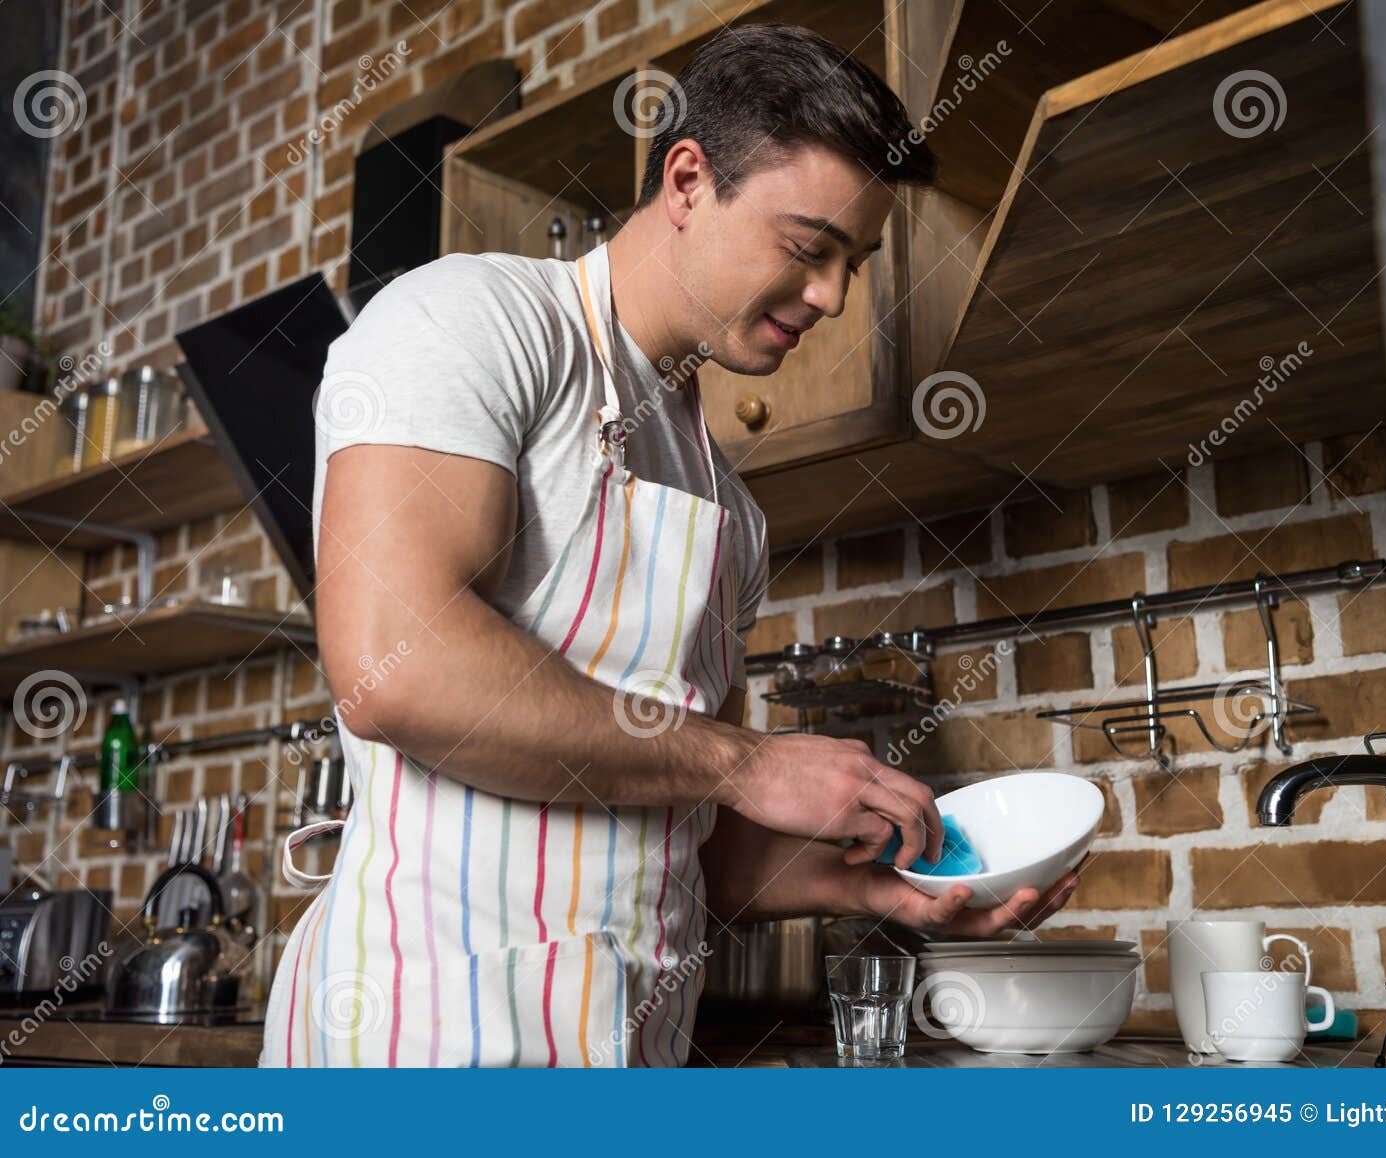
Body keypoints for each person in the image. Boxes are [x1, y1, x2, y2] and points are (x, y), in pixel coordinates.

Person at [260, 23, 1080, 1069]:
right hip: (421, 1041)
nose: (832, 294)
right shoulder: (468, 321)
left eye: (853, 263)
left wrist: (876, 890)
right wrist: (743, 761)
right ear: (687, 178)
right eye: (807, 247)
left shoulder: (726, 507)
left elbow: (695, 836)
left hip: (629, 1052)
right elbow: (395, 668)